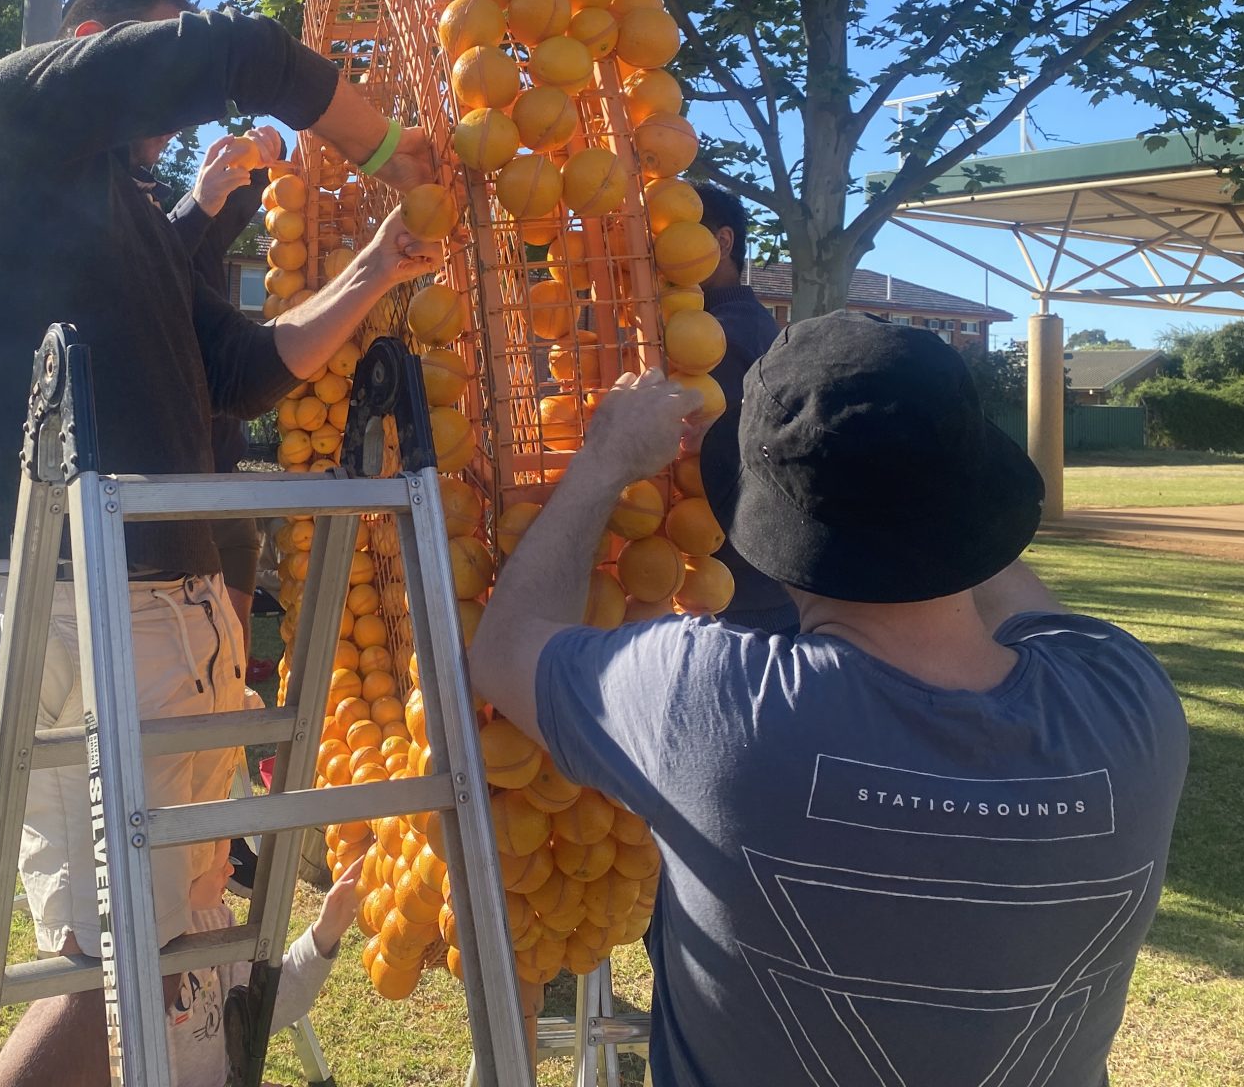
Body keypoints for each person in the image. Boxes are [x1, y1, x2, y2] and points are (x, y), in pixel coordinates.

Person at [0, 0, 442, 1086]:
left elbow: (241, 370)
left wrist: (377, 267)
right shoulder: (7, 108)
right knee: (143, 961)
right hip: (111, 594)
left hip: (107, 597)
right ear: (83, 42)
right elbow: (239, 53)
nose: (167, 103)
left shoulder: (124, 220)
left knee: (108, 956)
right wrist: (383, 143)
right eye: (145, 56)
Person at [469, 314, 1189, 1087]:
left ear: (768, 526)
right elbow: (1014, 598)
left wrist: (606, 460)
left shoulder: (712, 702)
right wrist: (919, 473)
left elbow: (504, 649)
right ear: (974, 503)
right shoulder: (1128, 696)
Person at [166, 124, 287, 633]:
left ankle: (235, 671)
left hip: (223, 479)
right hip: (168, 495)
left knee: (231, 656)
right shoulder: (145, 256)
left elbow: (246, 184)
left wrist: (268, 151)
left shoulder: (198, 232)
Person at [165, 854, 362, 1086]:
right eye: (219, 865)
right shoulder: (129, 966)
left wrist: (324, 934)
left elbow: (261, 1006)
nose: (230, 870)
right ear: (184, 870)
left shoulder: (214, 919)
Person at [690, 183, 791, 633]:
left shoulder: (716, 338)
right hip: (754, 587)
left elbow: (695, 454)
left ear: (723, 242)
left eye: (668, 234)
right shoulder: (749, 323)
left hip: (738, 600)